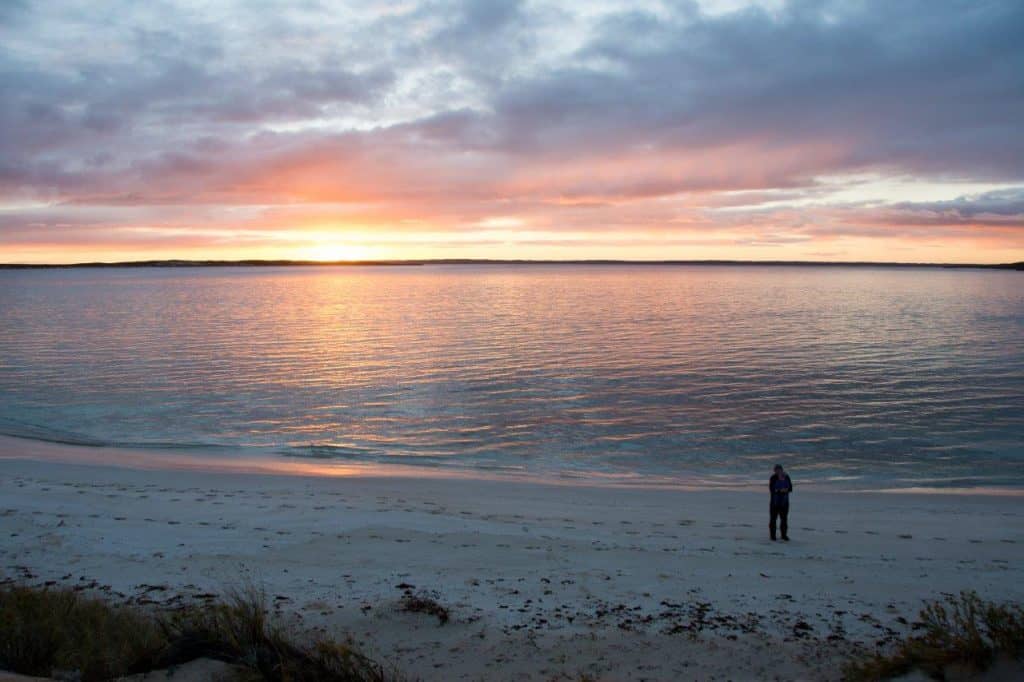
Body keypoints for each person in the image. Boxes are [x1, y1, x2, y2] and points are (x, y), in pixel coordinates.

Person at [769, 464, 792, 541]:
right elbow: (771, 489)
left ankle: (784, 535)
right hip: (774, 503)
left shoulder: (787, 477)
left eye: (779, 469)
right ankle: (773, 536)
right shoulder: (773, 478)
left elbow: (790, 488)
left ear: (782, 470)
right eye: (776, 470)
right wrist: (779, 490)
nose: (778, 471)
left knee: (784, 519)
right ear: (774, 471)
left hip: (784, 502)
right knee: (773, 519)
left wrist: (786, 490)